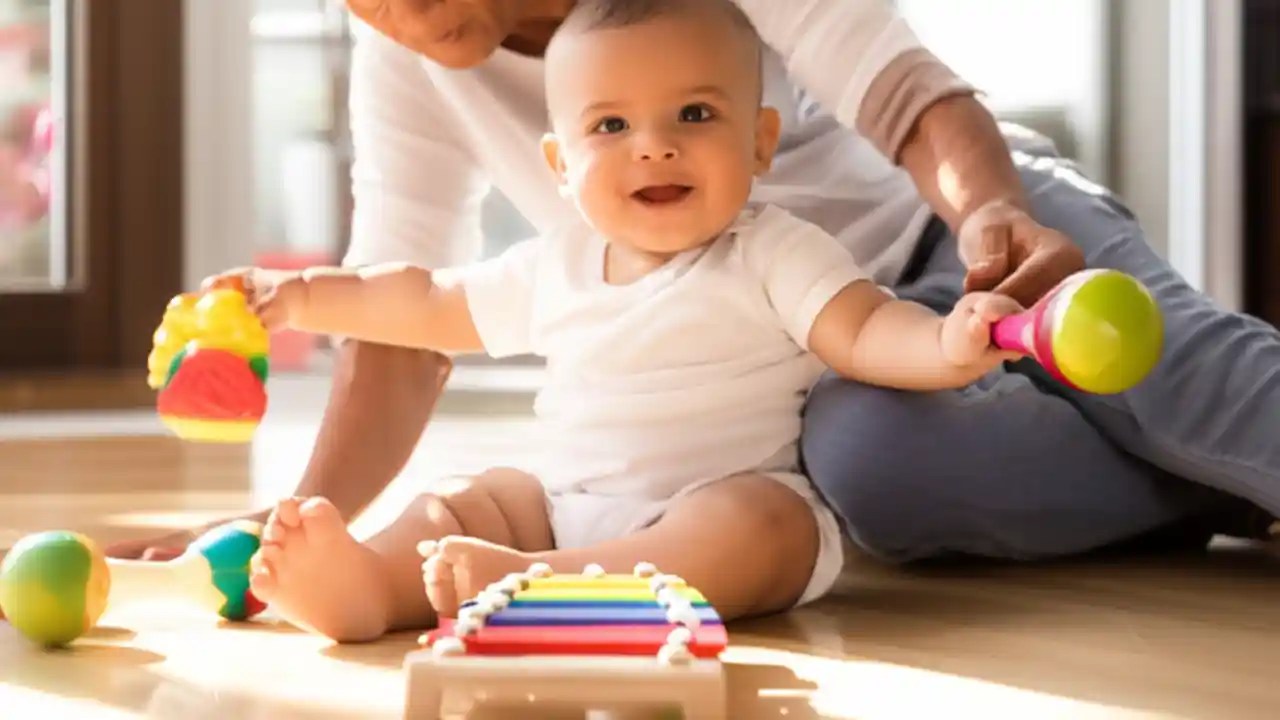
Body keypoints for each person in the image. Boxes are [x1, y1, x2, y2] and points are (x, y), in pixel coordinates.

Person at [111, 0, 1278, 573]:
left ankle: (1199, 445)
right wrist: (301, 517)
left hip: (951, 228)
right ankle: (1197, 490)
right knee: (876, 474)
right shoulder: (406, 56)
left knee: (1199, 392)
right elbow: (404, 321)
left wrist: (986, 214)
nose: (398, 16)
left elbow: (903, 91)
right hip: (830, 369)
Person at [214, 0, 1026, 641]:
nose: (654, 148)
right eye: (611, 126)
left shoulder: (777, 250)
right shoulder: (553, 262)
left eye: (696, 117)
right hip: (562, 506)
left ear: (759, 143)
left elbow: (864, 332)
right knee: (466, 502)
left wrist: (947, 343)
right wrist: (300, 296)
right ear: (561, 167)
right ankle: (368, 589)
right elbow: (422, 301)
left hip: (710, 504)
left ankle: (554, 587)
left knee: (769, 528)